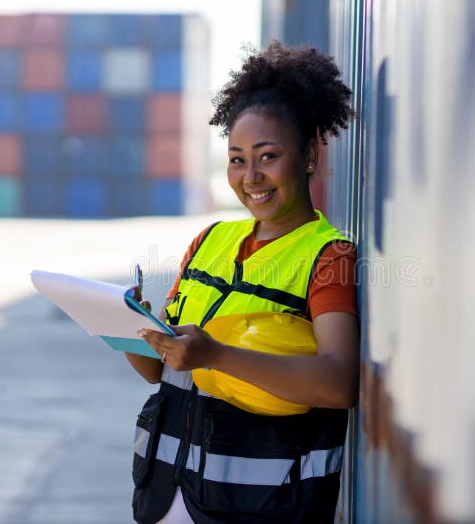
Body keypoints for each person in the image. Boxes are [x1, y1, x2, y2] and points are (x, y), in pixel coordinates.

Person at [125, 40, 359, 524]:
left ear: (311, 153)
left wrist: (218, 355)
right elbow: (158, 369)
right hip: (169, 496)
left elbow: (339, 384)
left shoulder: (329, 256)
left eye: (267, 156)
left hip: (262, 507)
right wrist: (128, 325)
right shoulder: (210, 238)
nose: (251, 176)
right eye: (236, 159)